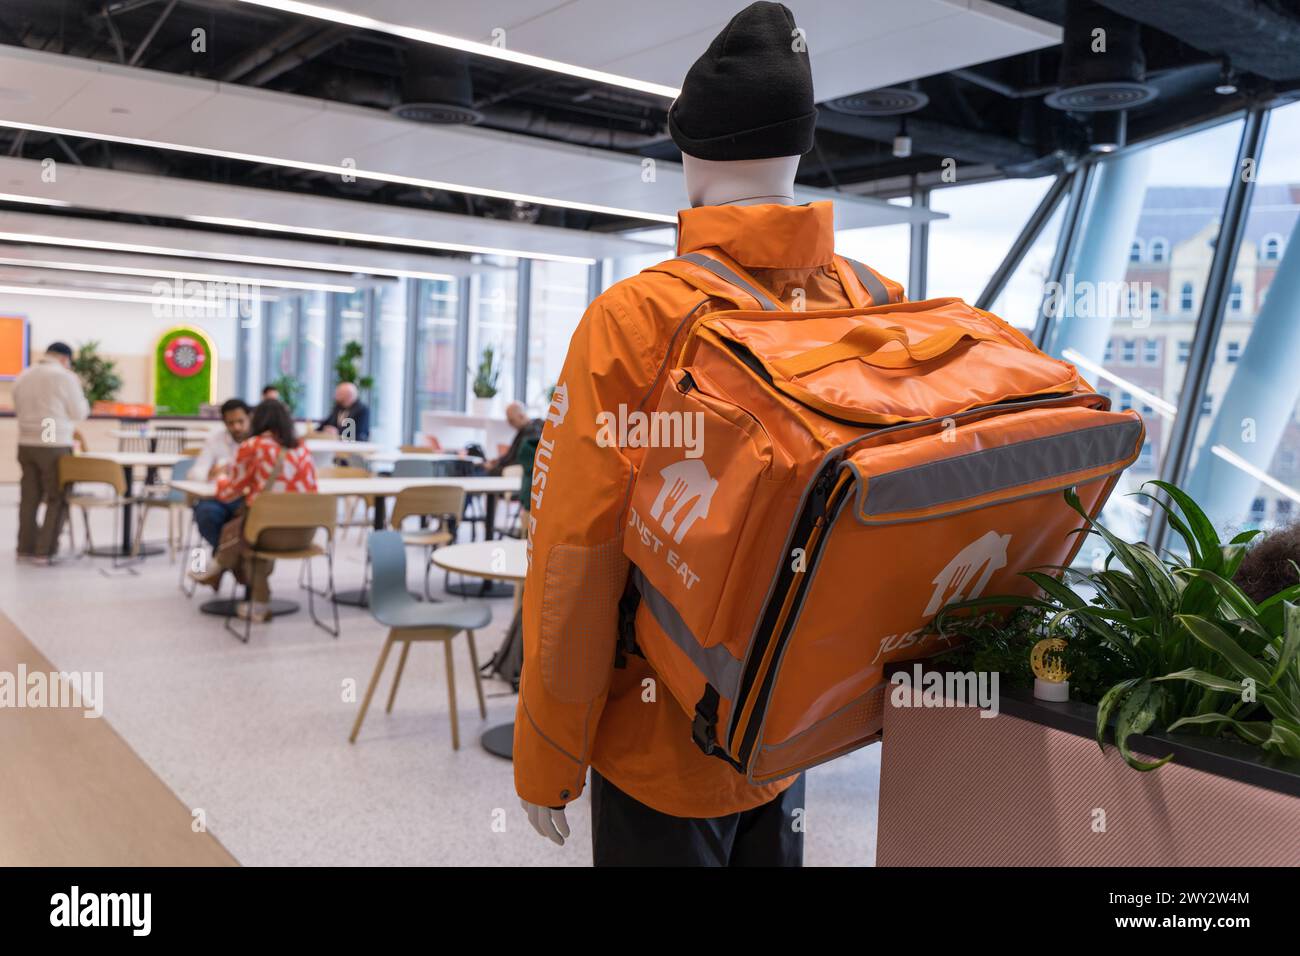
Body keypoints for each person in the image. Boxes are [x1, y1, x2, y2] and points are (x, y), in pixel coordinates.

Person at [514, 2, 902, 866]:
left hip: (664, 738)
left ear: (690, 155)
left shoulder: (638, 316)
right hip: (790, 717)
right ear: (798, 148)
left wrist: (546, 756)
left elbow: (576, 556)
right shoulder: (877, 301)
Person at [187, 399, 318, 621]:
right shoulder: (302, 448)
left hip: (266, 534)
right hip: (304, 533)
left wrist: (219, 480)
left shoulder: (253, 446)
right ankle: (223, 571)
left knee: (243, 528)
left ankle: (219, 567)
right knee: (233, 520)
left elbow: (230, 491)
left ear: (255, 420)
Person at [13, 341, 90, 565]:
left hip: (26, 443)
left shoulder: (23, 375)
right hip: (53, 443)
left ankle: (24, 548)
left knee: (29, 498)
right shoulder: (64, 377)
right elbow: (79, 412)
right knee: (57, 497)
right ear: (65, 359)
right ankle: (44, 551)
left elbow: (18, 407)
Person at [191, 399, 253, 550]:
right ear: (224, 423)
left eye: (240, 421)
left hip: (249, 498)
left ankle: (224, 558)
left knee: (258, 516)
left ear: (249, 418)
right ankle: (228, 556)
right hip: (219, 497)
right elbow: (195, 473)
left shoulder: (258, 441)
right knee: (206, 514)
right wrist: (209, 473)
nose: (236, 427)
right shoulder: (215, 441)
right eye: (230, 423)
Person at [485, 401, 542, 476]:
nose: (509, 423)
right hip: (507, 466)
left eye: (511, 420)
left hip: (511, 469)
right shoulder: (523, 430)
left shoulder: (531, 433)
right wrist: (498, 461)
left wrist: (496, 466)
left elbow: (518, 459)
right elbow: (511, 454)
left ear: (521, 416)